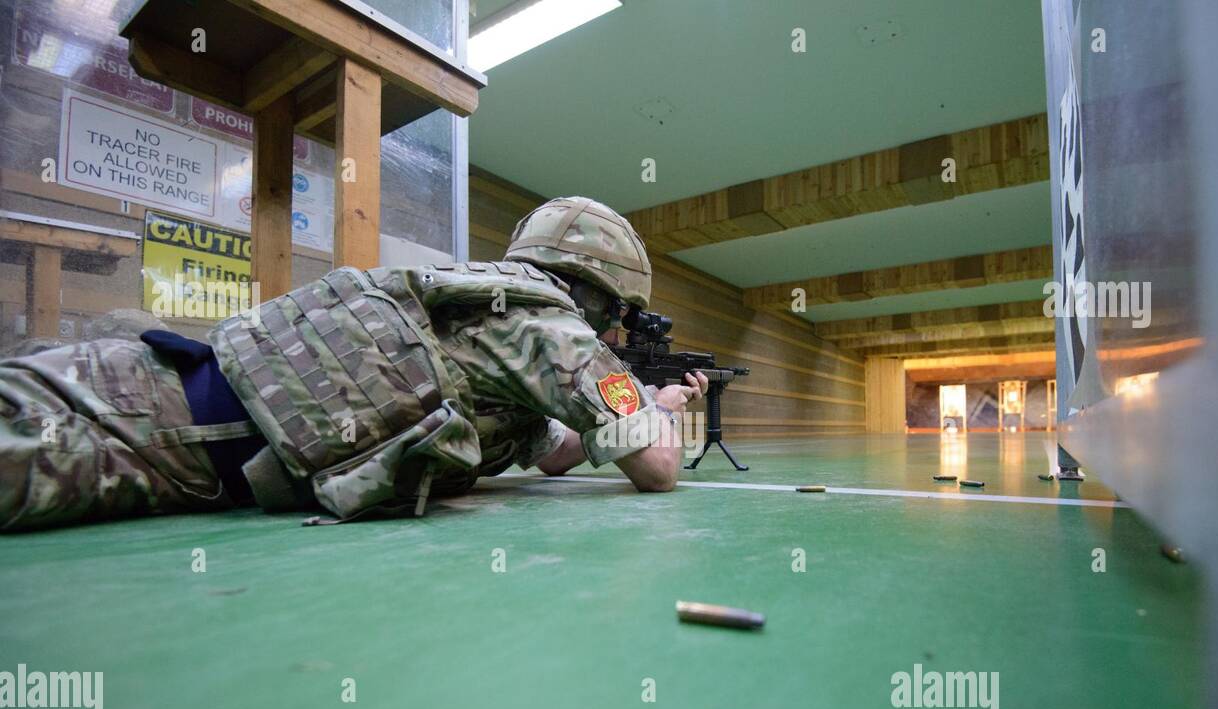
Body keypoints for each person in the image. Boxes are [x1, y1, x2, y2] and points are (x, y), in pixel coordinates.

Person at [0, 197, 706, 532]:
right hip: (165, 427)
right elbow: (658, 470)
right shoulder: (551, 324)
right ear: (593, 292)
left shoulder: (496, 310)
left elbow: (552, 452)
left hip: (172, 408)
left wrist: (640, 406)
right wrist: (653, 415)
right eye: (615, 315)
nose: (612, 331)